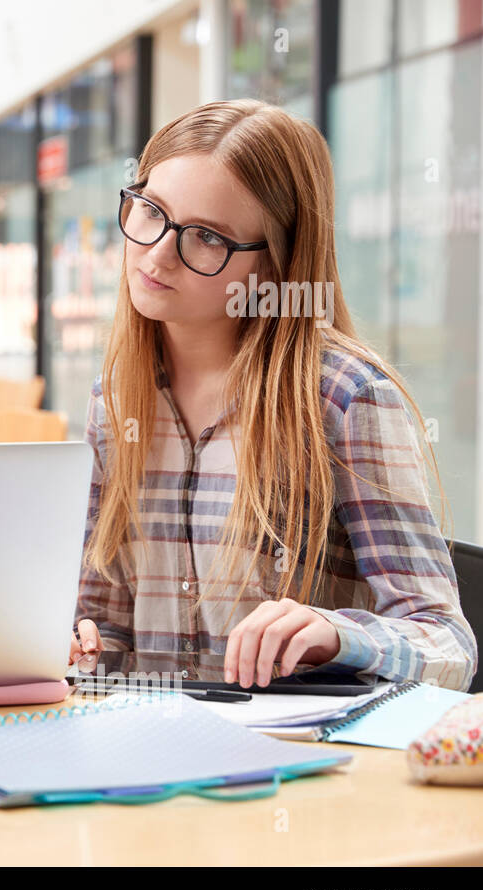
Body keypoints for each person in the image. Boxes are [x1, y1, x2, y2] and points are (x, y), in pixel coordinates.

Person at [68, 100, 477, 692]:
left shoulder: (344, 399)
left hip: (294, 766)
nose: (156, 253)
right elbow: (103, 627)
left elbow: (447, 644)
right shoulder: (115, 401)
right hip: (146, 756)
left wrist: (335, 633)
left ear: (273, 269)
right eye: (151, 210)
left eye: (207, 237)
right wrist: (81, 646)